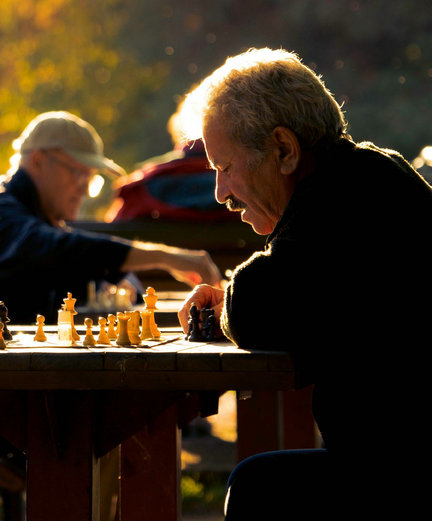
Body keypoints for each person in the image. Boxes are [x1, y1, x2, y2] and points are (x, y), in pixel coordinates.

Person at [176, 48, 432, 520]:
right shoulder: (369, 174)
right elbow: (294, 282)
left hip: (407, 476)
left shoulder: (344, 201)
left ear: (284, 150)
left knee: (261, 489)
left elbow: (258, 306)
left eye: (225, 167)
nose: (220, 193)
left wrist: (230, 298)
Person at [0, 111, 221, 466]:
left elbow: (65, 257)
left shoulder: (22, 218)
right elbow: (59, 250)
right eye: (79, 173)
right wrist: (168, 257)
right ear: (38, 161)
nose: (86, 189)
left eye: (92, 179)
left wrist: (118, 278)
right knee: (102, 426)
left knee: (116, 420)